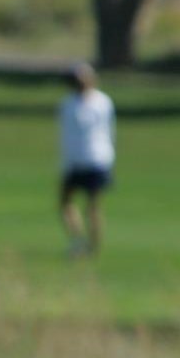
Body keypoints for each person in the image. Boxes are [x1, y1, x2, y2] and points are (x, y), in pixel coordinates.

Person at [57, 62, 116, 260]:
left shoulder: (73, 104)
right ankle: (85, 243)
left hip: (89, 158)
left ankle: (88, 245)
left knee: (90, 205)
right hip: (88, 159)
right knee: (76, 203)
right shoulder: (100, 101)